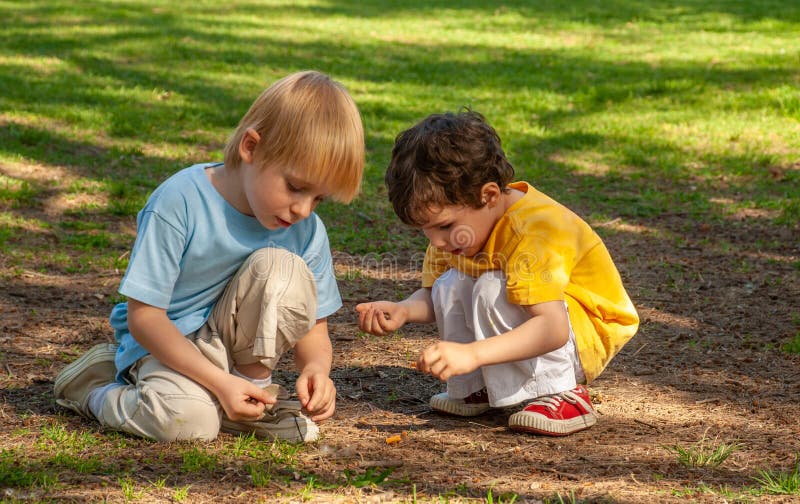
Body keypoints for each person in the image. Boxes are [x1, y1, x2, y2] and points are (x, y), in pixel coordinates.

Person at [54, 70, 364, 443]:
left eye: (319, 198)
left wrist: (317, 367)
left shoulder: (306, 229)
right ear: (251, 147)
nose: (303, 209)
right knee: (188, 424)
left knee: (282, 269)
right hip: (168, 348)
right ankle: (94, 388)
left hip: (237, 354)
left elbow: (315, 329)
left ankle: (250, 395)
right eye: (296, 187)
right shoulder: (179, 201)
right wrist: (218, 381)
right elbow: (145, 317)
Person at [356, 110, 638, 436]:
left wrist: (473, 353)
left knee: (491, 288)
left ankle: (564, 392)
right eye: (426, 229)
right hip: (542, 324)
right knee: (452, 282)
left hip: (583, 331)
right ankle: (476, 389)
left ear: (488, 195)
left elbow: (552, 328)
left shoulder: (533, 231)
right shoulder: (458, 234)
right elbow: (436, 296)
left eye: (444, 226)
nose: (435, 241)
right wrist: (403, 310)